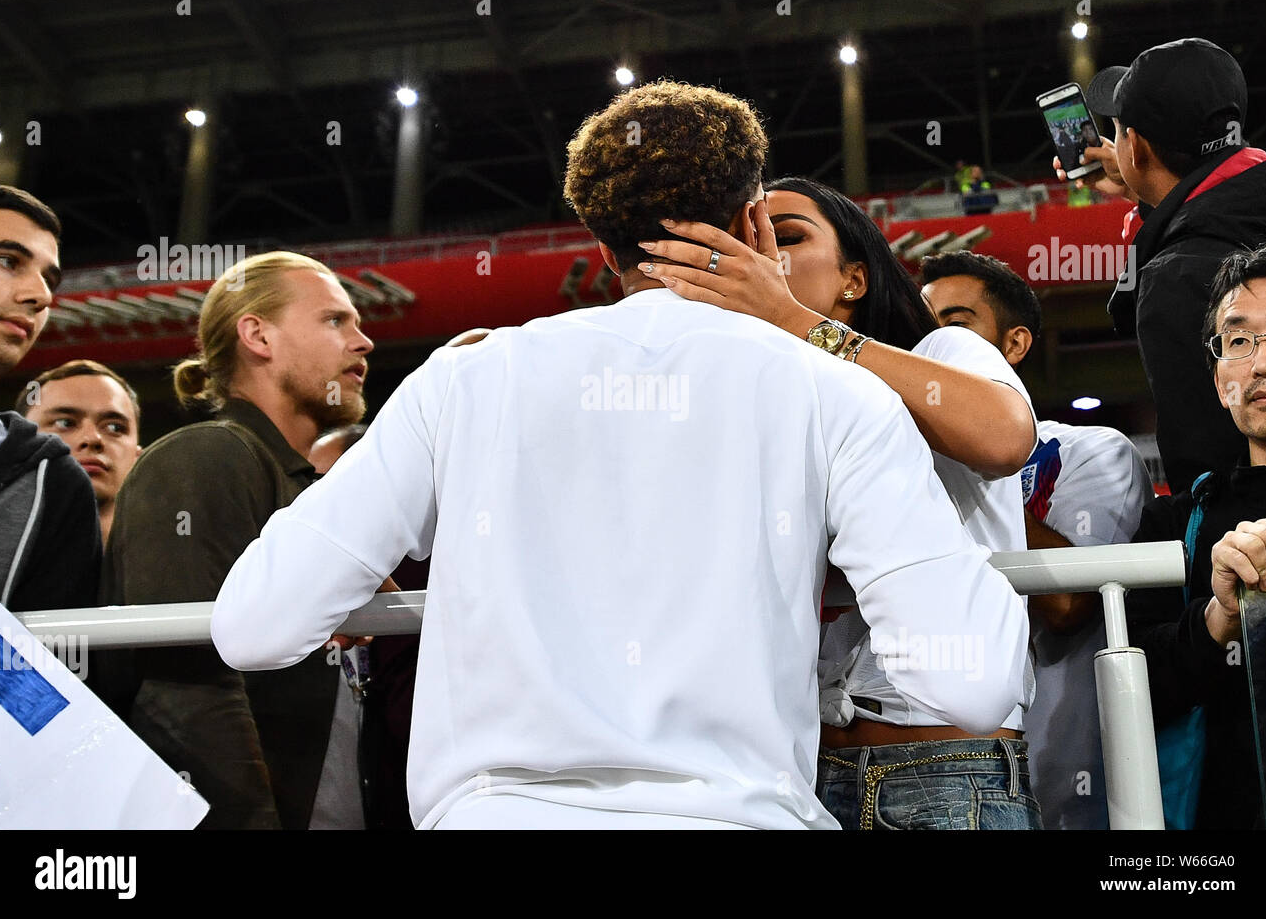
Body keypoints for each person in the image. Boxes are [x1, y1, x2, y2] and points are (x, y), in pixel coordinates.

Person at [212, 81, 1029, 830]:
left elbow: (254, 626)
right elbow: (970, 680)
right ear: (752, 225)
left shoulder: (465, 378)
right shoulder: (836, 392)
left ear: (602, 250)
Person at [642, 176, 1040, 829]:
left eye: (788, 236)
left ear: (854, 279)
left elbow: (1003, 437)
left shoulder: (941, 350)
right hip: (796, 776)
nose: (763, 256)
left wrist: (795, 322)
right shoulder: (753, 411)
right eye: (746, 241)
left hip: (942, 763)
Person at [99, 250, 375, 830]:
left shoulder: (312, 489)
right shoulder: (205, 455)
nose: (363, 341)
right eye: (334, 320)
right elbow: (185, 689)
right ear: (258, 335)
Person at [920, 250, 1153, 829]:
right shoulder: (888, 456)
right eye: (920, 330)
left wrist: (966, 458)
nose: (933, 346)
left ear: (1015, 344)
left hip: (1057, 770)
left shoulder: (1090, 451)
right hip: (911, 767)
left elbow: (1068, 603)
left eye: (954, 325)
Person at [1063, 37, 1266, 493]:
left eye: (1121, 129)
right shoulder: (1263, 202)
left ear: (1136, 147)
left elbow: (1202, 462)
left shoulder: (1175, 274)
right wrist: (1148, 197)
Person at [1126, 242, 1266, 829]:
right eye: (1239, 341)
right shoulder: (1175, 523)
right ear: (1221, 382)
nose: (1263, 364)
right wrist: (1217, 619)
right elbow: (1132, 690)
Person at [0, 184, 101, 615]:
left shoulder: (54, 484)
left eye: (49, 280)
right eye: (7, 261)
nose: (41, 296)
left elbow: (42, 676)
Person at [15, 359, 141, 547]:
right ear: (17, 449)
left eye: (114, 427)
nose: (92, 438)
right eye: (65, 423)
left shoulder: (180, 566)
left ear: (138, 459)